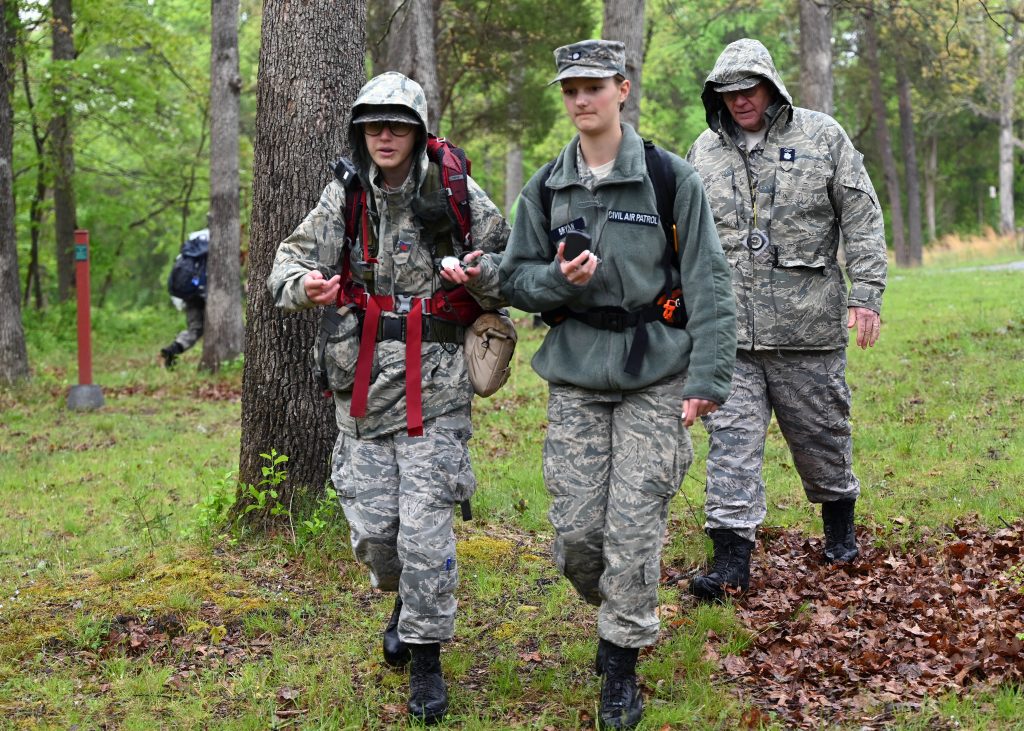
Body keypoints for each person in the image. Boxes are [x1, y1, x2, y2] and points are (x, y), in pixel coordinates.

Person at [499, 40, 736, 730]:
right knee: (579, 536)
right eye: (570, 89)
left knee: (633, 528)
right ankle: (613, 610)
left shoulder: (668, 177)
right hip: (576, 369)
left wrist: (708, 378)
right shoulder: (546, 185)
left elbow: (710, 281)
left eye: (594, 87)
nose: (582, 100)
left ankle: (620, 664)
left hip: (655, 370)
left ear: (622, 89)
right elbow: (514, 280)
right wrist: (556, 281)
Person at [266, 72, 508, 725]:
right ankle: (403, 599)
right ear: (360, 130)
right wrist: (305, 285)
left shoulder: (453, 191)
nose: (385, 134)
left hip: (437, 385)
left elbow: (511, 265)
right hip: (363, 390)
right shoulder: (343, 197)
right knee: (377, 536)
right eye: (375, 123)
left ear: (418, 131)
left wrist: (479, 272)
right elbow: (282, 267)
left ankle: (426, 659)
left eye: (397, 123)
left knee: (427, 532)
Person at [685, 38, 888, 602]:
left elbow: (863, 217)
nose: (740, 101)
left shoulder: (822, 136)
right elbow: (684, 238)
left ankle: (840, 536)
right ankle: (730, 563)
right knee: (730, 448)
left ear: (771, 86)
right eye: (728, 92)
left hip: (808, 335)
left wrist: (866, 295)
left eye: (749, 89)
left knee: (822, 442)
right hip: (731, 336)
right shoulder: (702, 151)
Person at [160, 227, 208, 368]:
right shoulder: (211, 250)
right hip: (207, 295)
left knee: (195, 328)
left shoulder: (187, 253)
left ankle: (173, 350)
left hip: (189, 295)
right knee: (215, 326)